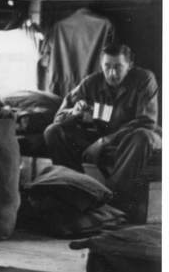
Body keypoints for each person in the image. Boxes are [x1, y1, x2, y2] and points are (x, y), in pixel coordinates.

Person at [44, 43, 161, 199]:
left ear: (129, 65)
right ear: (101, 65)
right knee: (53, 131)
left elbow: (145, 122)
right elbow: (59, 118)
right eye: (107, 66)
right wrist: (75, 113)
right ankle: (78, 190)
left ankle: (113, 198)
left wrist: (104, 141)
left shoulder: (144, 79)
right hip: (104, 137)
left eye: (118, 67)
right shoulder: (91, 83)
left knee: (142, 136)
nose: (112, 73)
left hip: (136, 139)